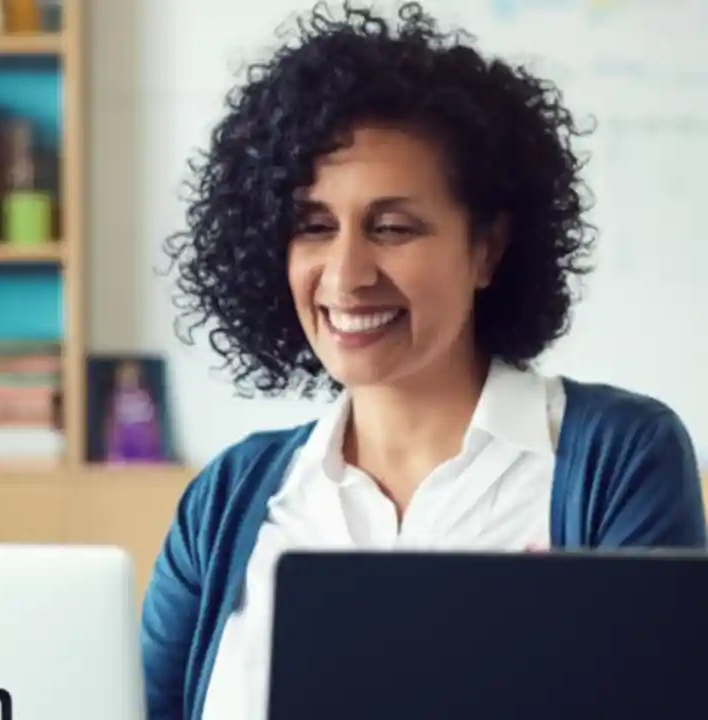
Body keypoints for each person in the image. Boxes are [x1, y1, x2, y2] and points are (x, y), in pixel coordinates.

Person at [146, 2, 707, 718]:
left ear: (488, 249)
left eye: (392, 227)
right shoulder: (228, 499)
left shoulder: (616, 459)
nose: (346, 275)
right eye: (314, 227)